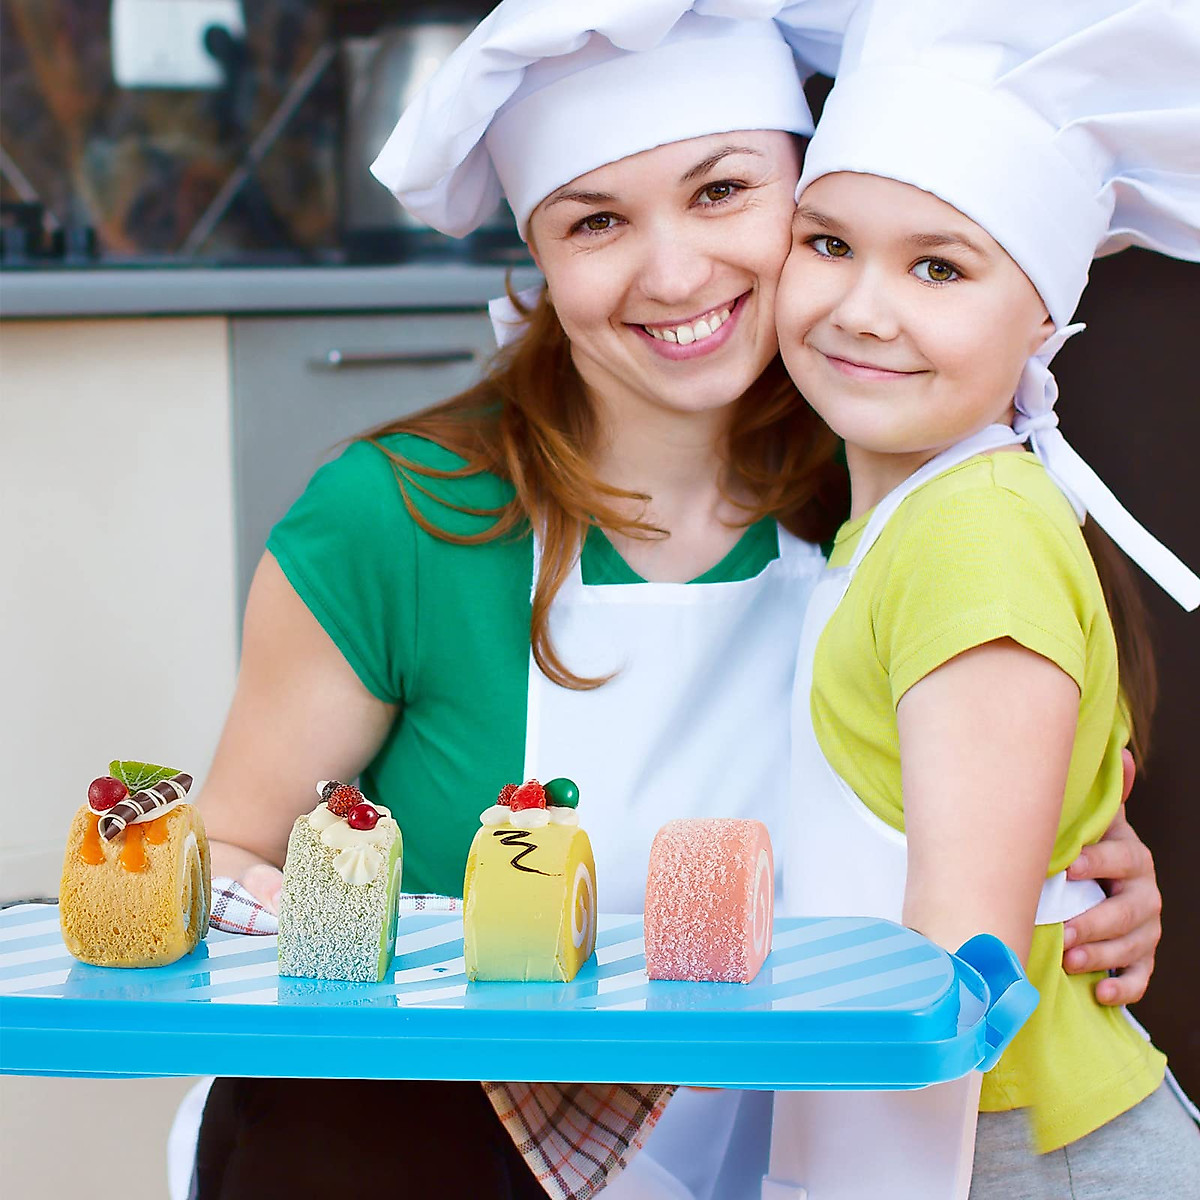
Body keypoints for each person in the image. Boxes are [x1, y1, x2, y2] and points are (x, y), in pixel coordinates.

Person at [192, 3, 1167, 1197]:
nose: (676, 273)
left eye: (722, 193)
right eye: (596, 220)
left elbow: (981, 839)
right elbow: (227, 851)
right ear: (536, 258)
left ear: (813, 196)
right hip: (428, 1139)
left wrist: (1081, 888)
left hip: (801, 1142)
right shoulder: (399, 518)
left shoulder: (906, 494)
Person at [770, 0, 1200, 1194]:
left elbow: (960, 964)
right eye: (828, 242)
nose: (863, 306)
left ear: (1043, 321)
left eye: (939, 266)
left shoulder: (974, 536)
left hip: (1010, 1145)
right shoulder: (908, 519)